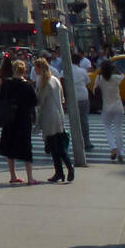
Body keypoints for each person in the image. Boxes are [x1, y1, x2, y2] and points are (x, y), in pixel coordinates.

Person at [0, 59, 39, 185]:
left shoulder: (6, 83)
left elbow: (1, 99)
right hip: (23, 119)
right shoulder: (27, 85)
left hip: (9, 119)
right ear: (24, 71)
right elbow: (35, 102)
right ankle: (30, 177)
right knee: (26, 147)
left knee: (10, 147)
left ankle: (13, 175)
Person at [33, 56, 74, 184]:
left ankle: (66, 168)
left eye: (35, 67)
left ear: (40, 68)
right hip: (58, 114)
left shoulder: (42, 81)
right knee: (57, 144)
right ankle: (60, 171)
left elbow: (40, 100)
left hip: (48, 116)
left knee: (55, 145)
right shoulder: (55, 79)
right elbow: (62, 98)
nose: (34, 69)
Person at [94, 59, 125, 163]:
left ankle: (113, 148)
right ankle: (121, 152)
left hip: (106, 107)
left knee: (107, 127)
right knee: (118, 129)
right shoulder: (116, 77)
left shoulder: (99, 78)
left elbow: (95, 90)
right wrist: (116, 69)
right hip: (118, 105)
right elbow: (123, 75)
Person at [69, 54, 93, 151]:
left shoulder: (65, 70)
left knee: (74, 121)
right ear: (79, 62)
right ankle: (86, 142)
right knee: (84, 121)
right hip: (83, 97)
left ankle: (76, 142)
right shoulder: (83, 71)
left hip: (72, 98)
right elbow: (88, 82)